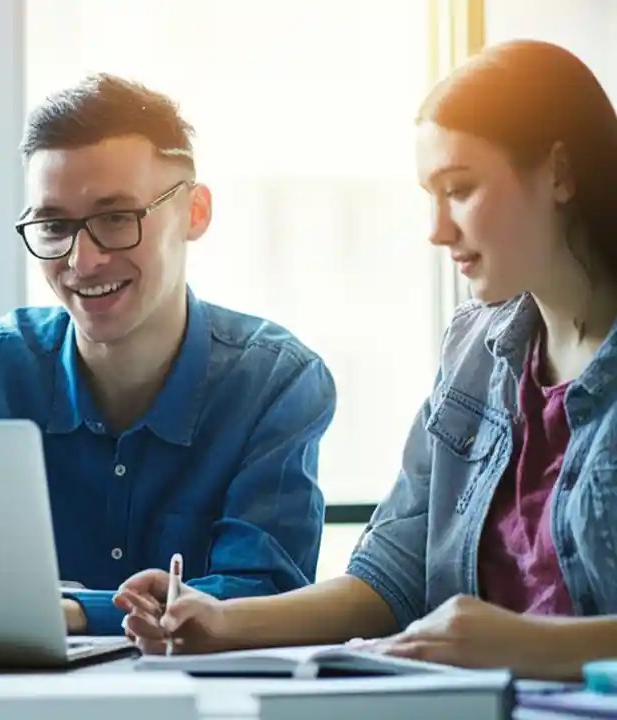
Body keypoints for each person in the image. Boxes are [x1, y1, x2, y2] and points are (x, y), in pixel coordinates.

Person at [118, 40, 617, 681]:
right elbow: (391, 578)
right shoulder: (474, 352)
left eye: (459, 190)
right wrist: (220, 620)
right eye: (428, 195)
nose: (436, 229)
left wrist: (525, 645)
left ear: (560, 173)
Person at [0, 74, 336, 636]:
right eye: (54, 225)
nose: (83, 260)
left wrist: (71, 613)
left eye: (116, 219)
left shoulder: (275, 382)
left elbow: (264, 591)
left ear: (195, 212)